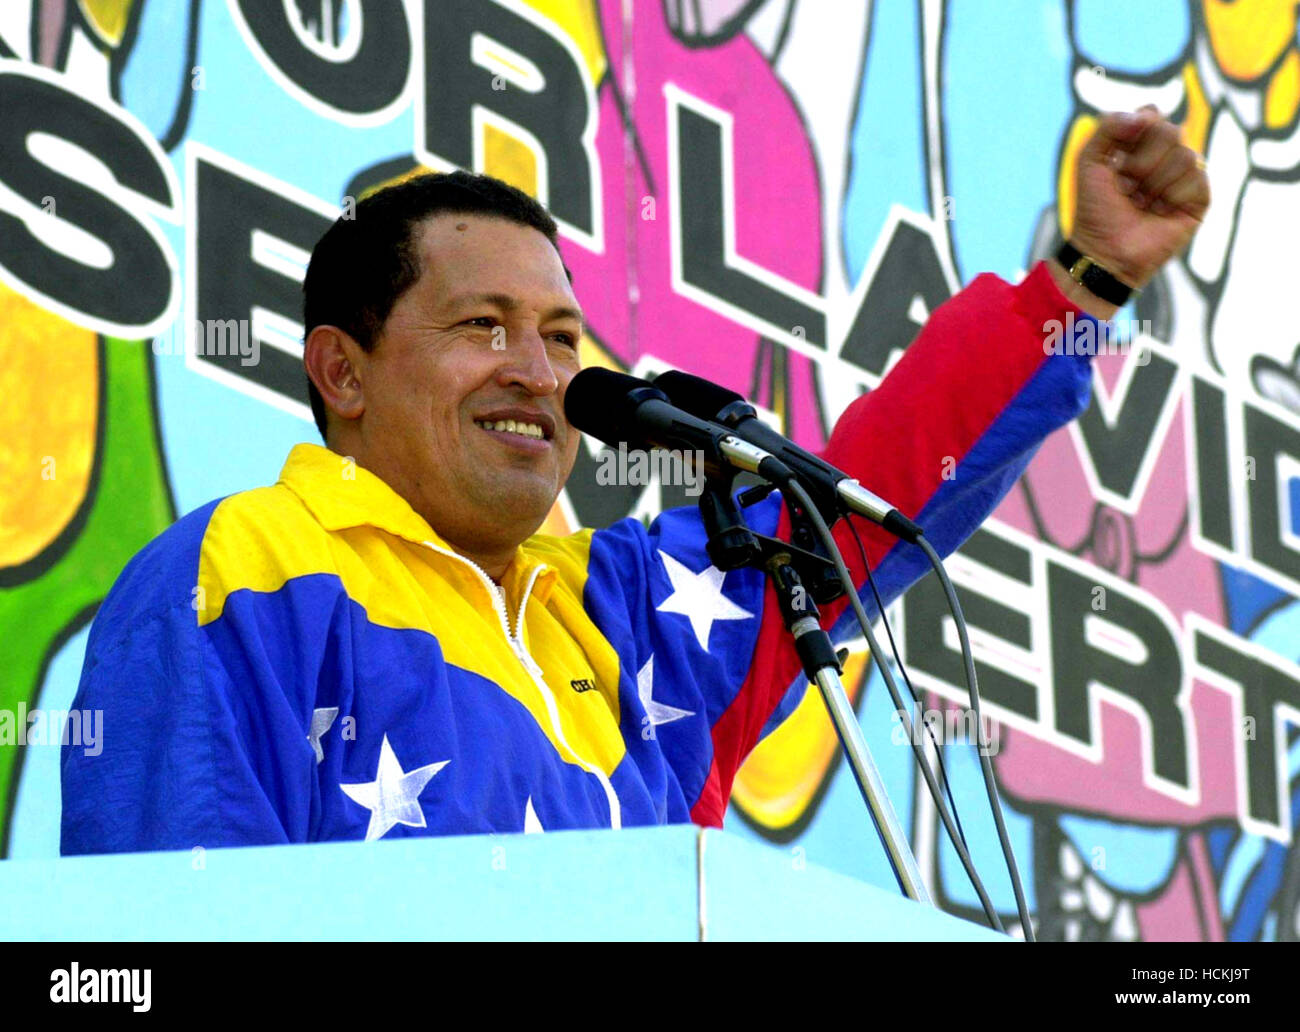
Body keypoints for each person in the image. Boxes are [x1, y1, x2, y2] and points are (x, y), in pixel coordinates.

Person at [61, 109, 1208, 853]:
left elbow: (862, 490)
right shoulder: (239, 574)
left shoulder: (629, 615)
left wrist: (1085, 282)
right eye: (483, 325)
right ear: (341, 372)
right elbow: (172, 920)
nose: (538, 371)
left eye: (562, 338)